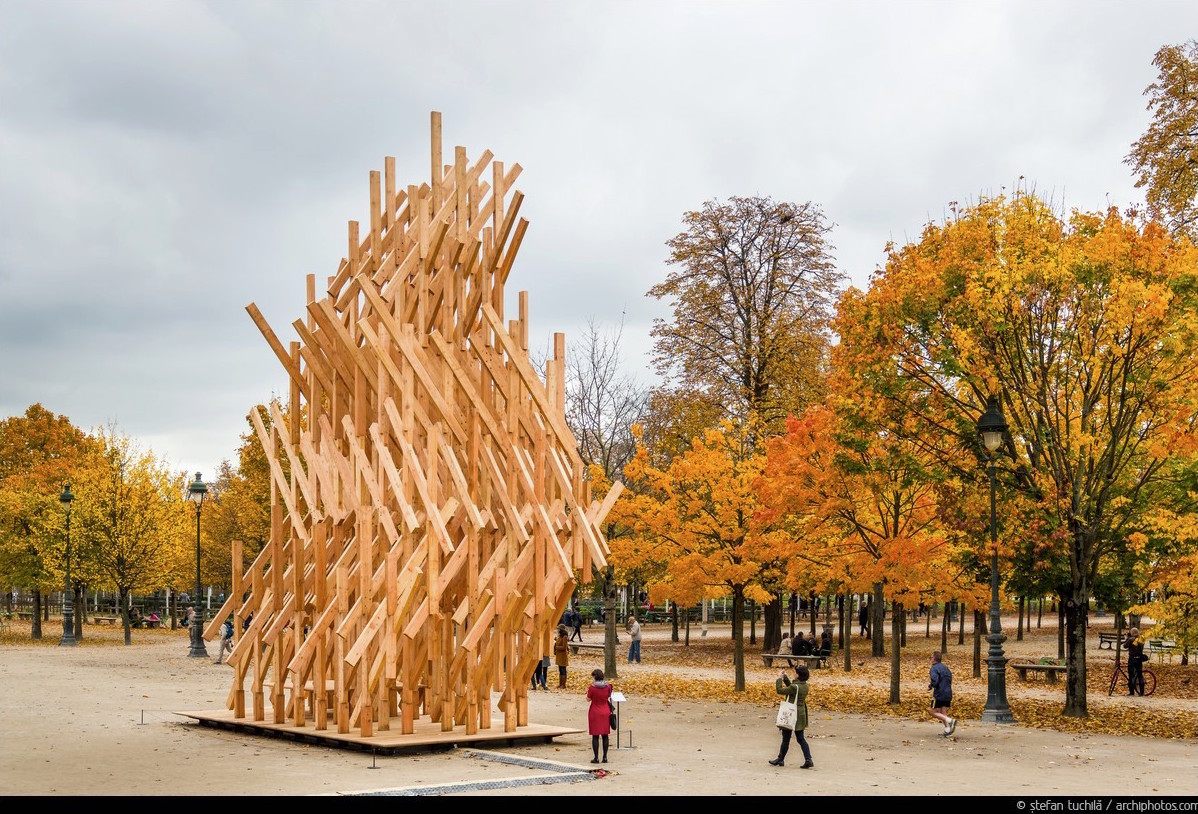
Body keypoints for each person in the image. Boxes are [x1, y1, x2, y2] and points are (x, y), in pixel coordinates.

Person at [769, 664, 814, 768]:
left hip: (791, 713)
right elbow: (792, 689)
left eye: (795, 672)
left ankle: (780, 759)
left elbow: (780, 690)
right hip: (800, 713)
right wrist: (786, 678)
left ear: (798, 675)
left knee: (786, 738)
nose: (793, 673)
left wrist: (779, 678)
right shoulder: (804, 685)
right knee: (800, 738)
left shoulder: (795, 687)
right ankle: (808, 759)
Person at [586, 668, 613, 764]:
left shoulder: (592, 687)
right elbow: (609, 695)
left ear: (595, 677)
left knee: (595, 736)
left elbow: (588, 699)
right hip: (605, 710)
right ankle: (605, 757)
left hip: (595, 712)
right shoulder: (608, 686)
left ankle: (596, 757)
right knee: (605, 735)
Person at [928, 650, 956, 736]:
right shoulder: (945, 667)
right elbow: (949, 678)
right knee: (943, 712)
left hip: (939, 693)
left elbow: (935, 680)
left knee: (932, 711)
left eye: (931, 657)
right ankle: (947, 730)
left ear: (934, 659)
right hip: (948, 692)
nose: (930, 659)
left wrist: (931, 686)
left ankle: (950, 721)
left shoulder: (934, 668)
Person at [1125, 627, 1146, 696]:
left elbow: (1125, 646)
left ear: (1132, 633)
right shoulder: (1141, 639)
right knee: (1140, 675)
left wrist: (1126, 638)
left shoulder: (1131, 639)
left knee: (1131, 675)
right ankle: (1142, 692)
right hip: (1139, 658)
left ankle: (1131, 692)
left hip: (1132, 659)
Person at [554, 624, 570, 689]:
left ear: (561, 630)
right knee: (560, 670)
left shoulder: (565, 637)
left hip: (563, 656)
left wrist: (557, 647)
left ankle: (563, 684)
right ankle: (560, 683)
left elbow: (564, 647)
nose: (557, 630)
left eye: (558, 629)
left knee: (563, 670)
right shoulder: (560, 636)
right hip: (559, 656)